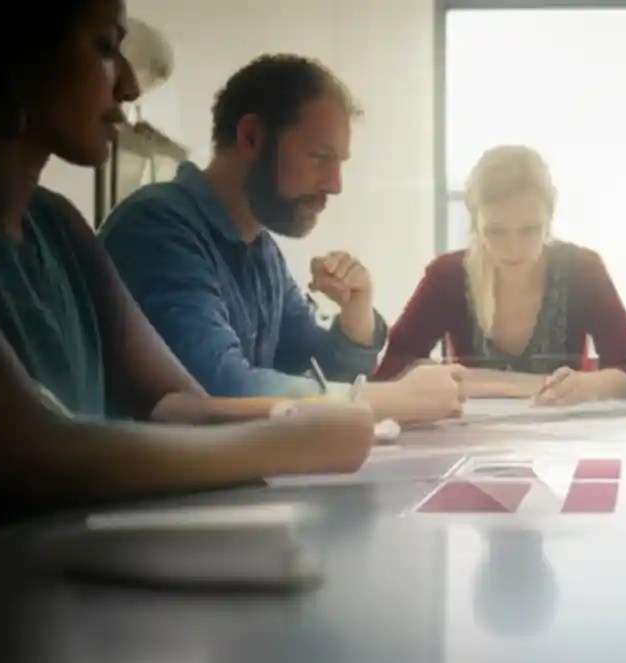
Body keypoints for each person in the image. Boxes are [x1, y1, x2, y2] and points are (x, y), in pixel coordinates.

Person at [0, 0, 374, 546]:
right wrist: (298, 438)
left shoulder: (60, 225)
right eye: (107, 47)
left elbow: (179, 405)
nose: (132, 87)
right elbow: (36, 452)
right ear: (13, 51)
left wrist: (301, 416)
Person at [101, 54, 463, 423]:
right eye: (320, 157)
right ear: (251, 137)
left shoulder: (261, 250)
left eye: (340, 163)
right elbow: (218, 388)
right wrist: (392, 400)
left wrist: (357, 312)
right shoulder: (156, 228)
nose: (335, 185)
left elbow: (322, 371)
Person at [375, 145, 626, 404]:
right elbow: (393, 367)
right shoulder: (448, 276)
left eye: (530, 230)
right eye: (495, 231)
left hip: (562, 439)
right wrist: (517, 385)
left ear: (549, 218)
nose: (513, 248)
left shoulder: (582, 270)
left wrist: (590, 386)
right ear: (475, 222)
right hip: (471, 437)